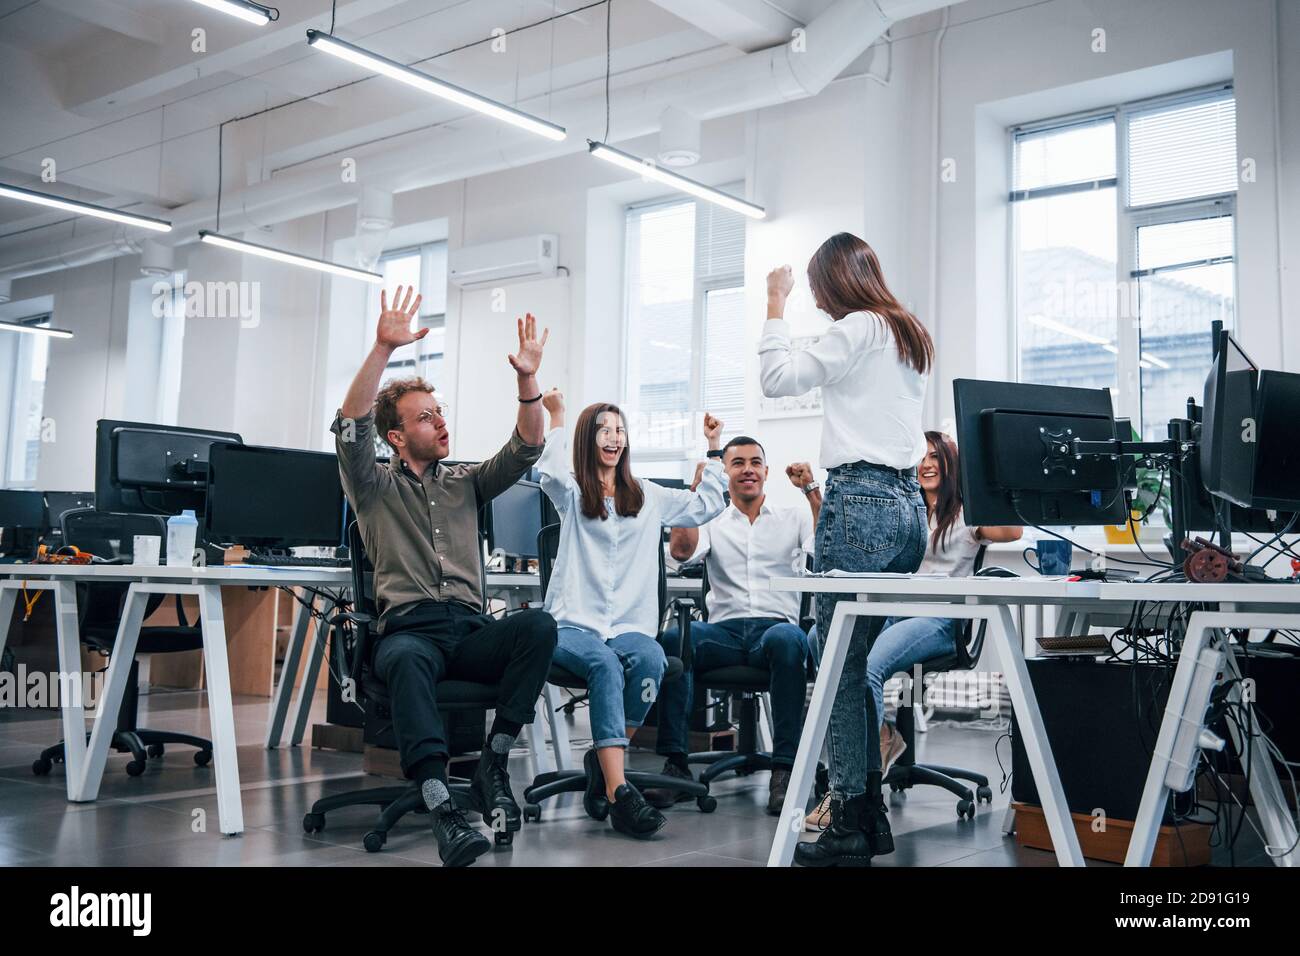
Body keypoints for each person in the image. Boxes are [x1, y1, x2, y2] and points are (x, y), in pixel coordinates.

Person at [333, 286, 558, 868]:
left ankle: (493, 760)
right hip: (410, 630)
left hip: (471, 630)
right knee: (406, 658)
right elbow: (349, 425)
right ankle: (443, 808)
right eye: (424, 417)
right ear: (397, 436)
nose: (439, 422)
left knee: (537, 628)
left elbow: (528, 446)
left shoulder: (465, 480)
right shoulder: (373, 485)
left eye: (440, 413)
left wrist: (527, 382)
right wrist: (384, 346)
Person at [759, 232, 934, 867]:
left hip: (859, 502)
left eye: (813, 288)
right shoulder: (908, 331)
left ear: (835, 282)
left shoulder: (861, 326)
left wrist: (774, 304)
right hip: (907, 508)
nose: (813, 299)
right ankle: (869, 816)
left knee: (835, 665)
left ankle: (848, 819)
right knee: (855, 664)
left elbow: (777, 378)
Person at [805, 430, 1022, 830]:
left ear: (949, 464)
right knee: (820, 638)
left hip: (940, 620)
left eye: (935, 456)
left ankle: (859, 787)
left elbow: (1013, 533)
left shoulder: (965, 515)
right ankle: (884, 734)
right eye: (920, 456)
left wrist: (983, 479)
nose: (926, 463)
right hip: (895, 612)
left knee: (865, 667)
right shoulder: (905, 514)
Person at [537, 390, 726, 838]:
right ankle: (620, 792)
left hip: (628, 626)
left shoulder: (649, 496)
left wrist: (714, 449)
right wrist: (558, 415)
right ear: (588, 439)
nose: (614, 438)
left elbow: (707, 505)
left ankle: (602, 760)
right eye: (604, 430)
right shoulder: (573, 493)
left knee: (651, 659)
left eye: (620, 430)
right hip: (573, 625)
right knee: (603, 665)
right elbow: (546, 472)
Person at [648, 436, 819, 814]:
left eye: (755, 462)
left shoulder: (793, 517)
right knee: (676, 640)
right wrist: (695, 495)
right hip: (724, 631)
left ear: (766, 472)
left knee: (792, 641)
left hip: (775, 629)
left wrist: (811, 490)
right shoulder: (711, 518)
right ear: (724, 472)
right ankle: (676, 765)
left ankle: (784, 769)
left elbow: (826, 552)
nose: (747, 470)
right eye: (738, 463)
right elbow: (680, 552)